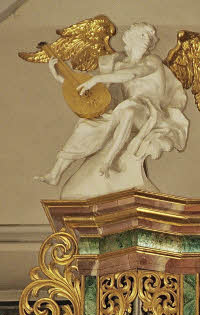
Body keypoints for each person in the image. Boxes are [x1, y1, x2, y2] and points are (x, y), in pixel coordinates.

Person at [36, 23, 189, 195]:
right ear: (128, 38)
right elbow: (98, 94)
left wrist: (97, 79)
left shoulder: (151, 61)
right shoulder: (116, 63)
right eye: (142, 35)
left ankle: (109, 161)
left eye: (149, 37)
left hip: (148, 111)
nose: (147, 40)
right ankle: (56, 173)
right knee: (87, 124)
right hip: (120, 109)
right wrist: (62, 80)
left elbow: (134, 74)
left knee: (128, 110)